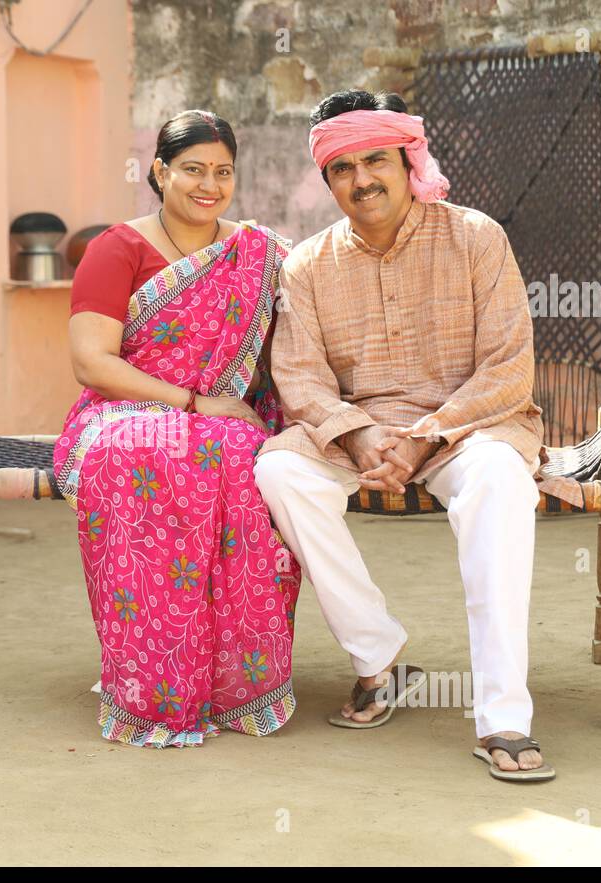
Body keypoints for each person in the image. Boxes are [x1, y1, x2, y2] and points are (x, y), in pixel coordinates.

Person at [254, 90, 556, 782]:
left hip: (469, 429)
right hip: (362, 436)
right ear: (327, 179)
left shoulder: (477, 237)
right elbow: (299, 378)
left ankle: (503, 714)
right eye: (342, 168)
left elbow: (507, 369)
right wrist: (358, 440)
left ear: (408, 160)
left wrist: (423, 440)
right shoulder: (306, 265)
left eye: (376, 161)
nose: (362, 180)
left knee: (500, 482)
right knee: (279, 470)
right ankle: (379, 660)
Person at [53, 110, 300, 748]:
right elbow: (92, 362)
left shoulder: (257, 253)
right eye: (193, 170)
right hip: (124, 411)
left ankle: (231, 684)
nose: (208, 185)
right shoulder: (118, 248)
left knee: (252, 458)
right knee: (144, 454)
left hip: (225, 418)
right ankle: (152, 686)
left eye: (222, 172)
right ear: (160, 172)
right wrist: (189, 402)